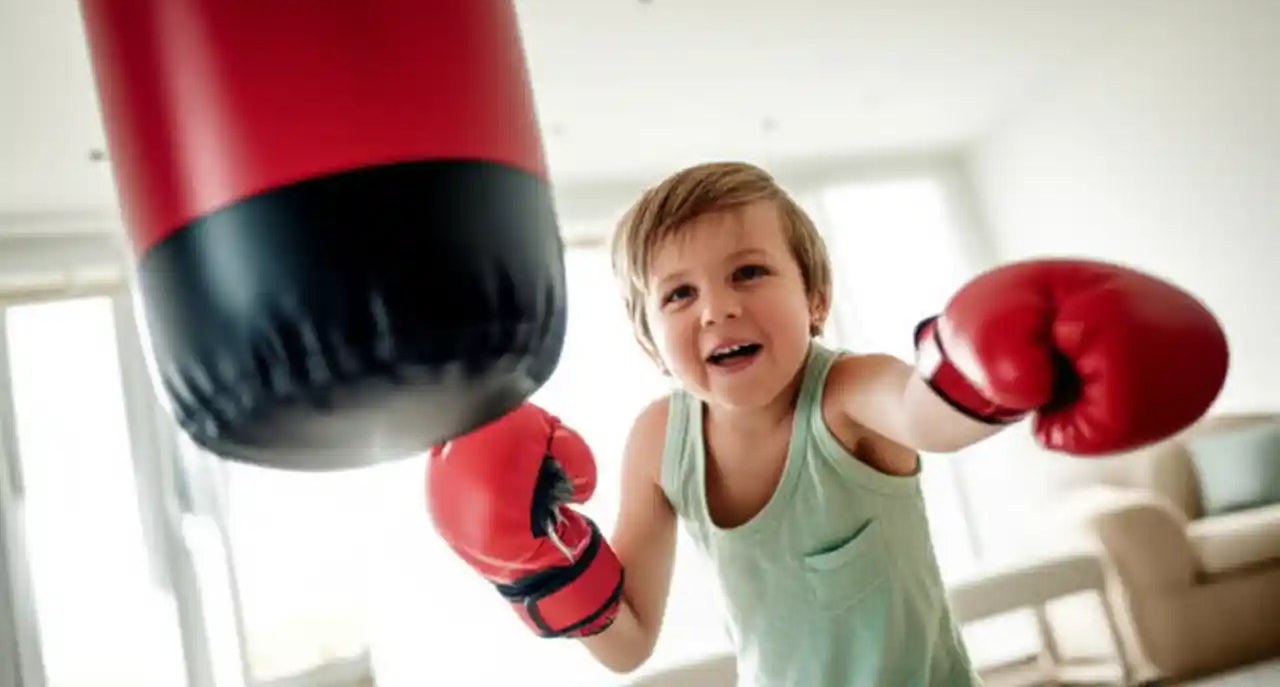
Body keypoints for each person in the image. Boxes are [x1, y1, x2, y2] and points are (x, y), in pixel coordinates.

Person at [424, 162, 1229, 685]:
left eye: (749, 272)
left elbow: (926, 413)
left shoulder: (846, 391)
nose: (719, 307)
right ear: (648, 342)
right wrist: (534, 569)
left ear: (814, 300)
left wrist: (994, 371)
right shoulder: (656, 441)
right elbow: (628, 644)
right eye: (679, 294)